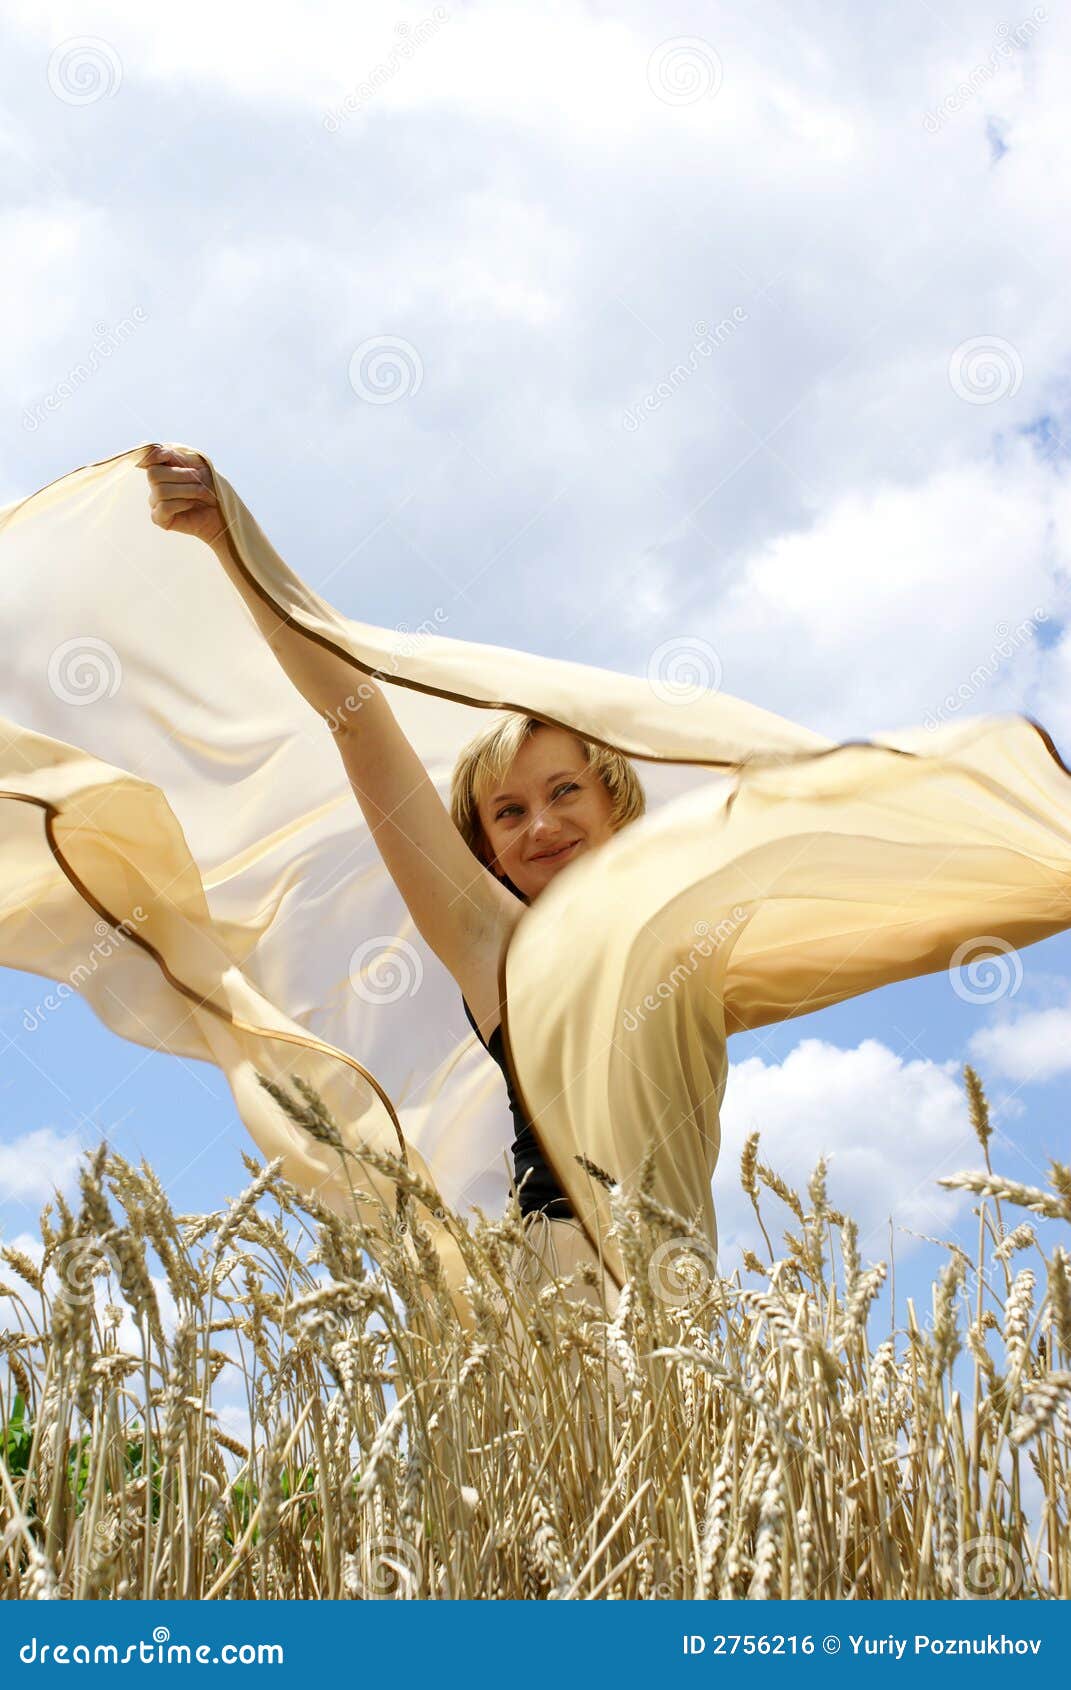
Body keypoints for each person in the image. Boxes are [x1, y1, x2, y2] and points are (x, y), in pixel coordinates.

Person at [140, 442, 630, 1321]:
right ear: (485, 851)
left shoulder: (692, 925)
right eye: (507, 813)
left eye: (564, 792)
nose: (542, 825)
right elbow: (357, 723)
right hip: (565, 1310)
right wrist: (230, 542)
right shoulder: (497, 947)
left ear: (617, 806)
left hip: (687, 1298)